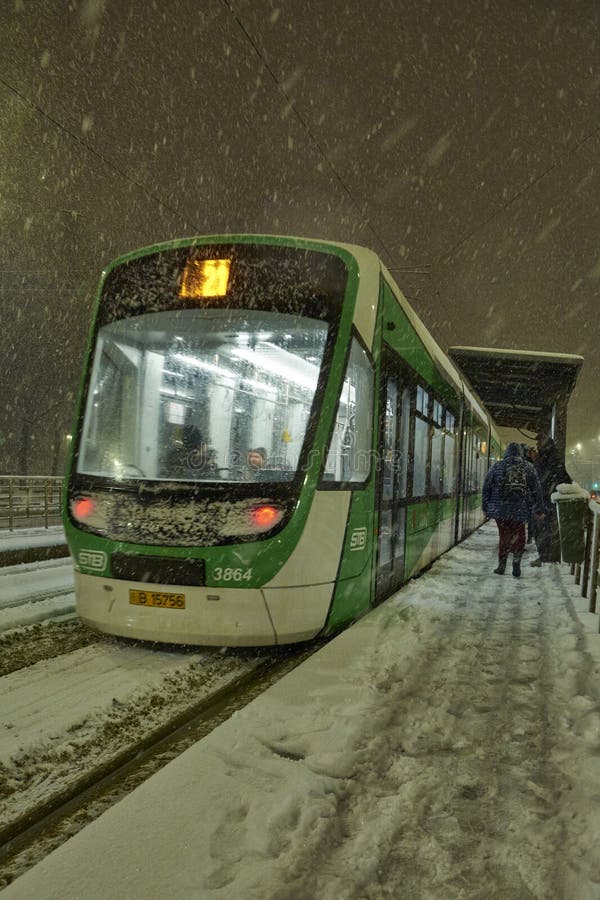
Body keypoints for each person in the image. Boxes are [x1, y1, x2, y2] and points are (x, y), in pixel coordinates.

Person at [482, 442, 544, 578]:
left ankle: (502, 565)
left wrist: (485, 507)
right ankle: (516, 562)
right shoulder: (528, 467)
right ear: (520, 454)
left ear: (506, 453)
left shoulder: (497, 466)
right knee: (520, 535)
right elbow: (536, 490)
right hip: (520, 509)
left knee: (504, 535)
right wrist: (539, 508)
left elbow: (486, 487)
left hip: (500, 510)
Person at [529, 434, 572, 566]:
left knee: (544, 531)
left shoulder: (548, 460)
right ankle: (547, 556)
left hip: (547, 502)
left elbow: (542, 480)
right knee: (544, 531)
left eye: (538, 444)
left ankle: (546, 557)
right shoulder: (553, 458)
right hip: (547, 501)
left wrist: (536, 461)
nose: (537, 447)